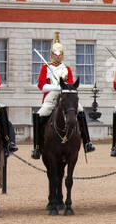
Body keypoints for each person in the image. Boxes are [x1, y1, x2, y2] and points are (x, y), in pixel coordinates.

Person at [31, 32, 93, 160]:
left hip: (65, 96)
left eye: (60, 55)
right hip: (51, 97)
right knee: (39, 115)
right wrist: (55, 87)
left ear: (62, 55)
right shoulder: (45, 68)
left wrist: (64, 87)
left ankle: (87, 142)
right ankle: (37, 146)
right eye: (55, 54)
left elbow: (70, 84)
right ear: (51, 55)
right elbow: (41, 85)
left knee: (80, 111)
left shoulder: (67, 69)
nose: (57, 57)